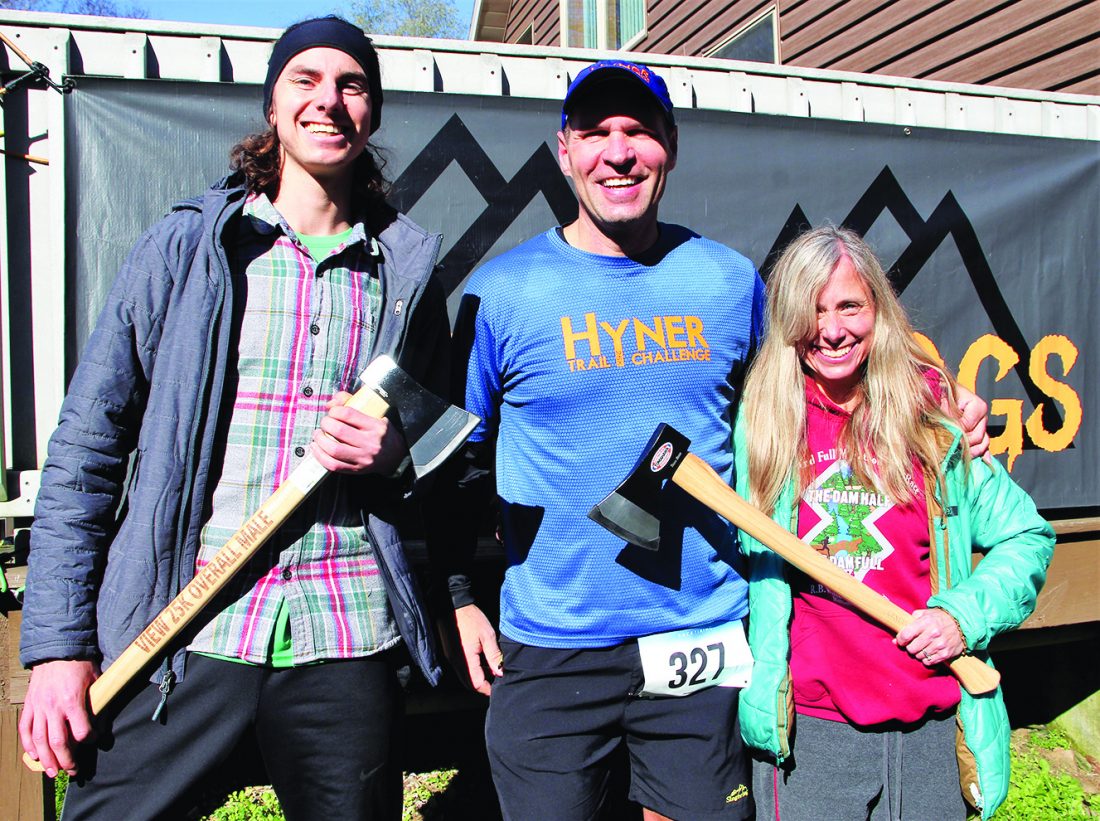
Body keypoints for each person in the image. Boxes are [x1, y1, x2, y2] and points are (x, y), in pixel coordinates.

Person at [19, 16, 451, 819]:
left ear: (374, 112)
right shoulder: (188, 251)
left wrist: (398, 450)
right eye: (306, 80)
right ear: (273, 105)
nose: (329, 100)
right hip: (186, 630)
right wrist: (55, 647)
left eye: (352, 84)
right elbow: (87, 451)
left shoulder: (405, 272)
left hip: (344, 633)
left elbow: (440, 444)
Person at [733, 226, 1054, 820]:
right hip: (811, 733)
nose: (831, 331)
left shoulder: (933, 418)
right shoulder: (764, 422)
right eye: (813, 311)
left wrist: (965, 616)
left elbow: (1026, 536)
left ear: (877, 308)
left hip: (930, 721)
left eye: (849, 306)